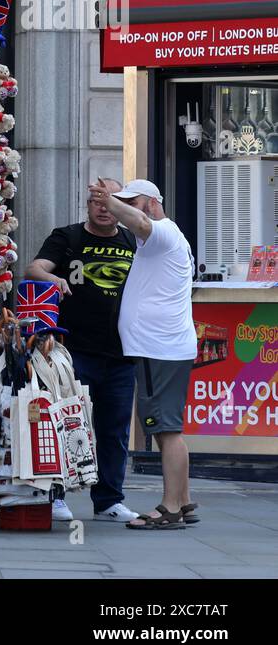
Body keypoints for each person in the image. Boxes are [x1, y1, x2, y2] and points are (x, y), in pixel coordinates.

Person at [26, 178, 139, 524]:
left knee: (114, 430)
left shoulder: (133, 241)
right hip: (74, 352)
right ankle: (56, 495)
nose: (104, 208)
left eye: (111, 201)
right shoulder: (68, 237)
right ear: (87, 205)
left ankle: (108, 500)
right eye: (96, 201)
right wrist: (53, 279)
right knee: (64, 424)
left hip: (122, 353)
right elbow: (34, 267)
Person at [87, 178, 198, 531]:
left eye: (129, 202)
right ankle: (183, 501)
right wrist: (115, 199)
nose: (116, 210)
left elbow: (138, 222)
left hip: (159, 349)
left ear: (150, 203)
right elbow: (136, 222)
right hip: (163, 348)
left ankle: (169, 509)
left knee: (166, 430)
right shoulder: (161, 239)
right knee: (171, 428)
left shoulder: (162, 231)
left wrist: (108, 200)